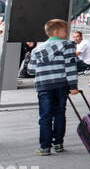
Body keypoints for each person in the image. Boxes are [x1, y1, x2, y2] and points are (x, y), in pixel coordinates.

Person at [26, 19, 79, 157]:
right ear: (57, 31)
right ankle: (58, 144)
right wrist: (73, 86)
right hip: (61, 85)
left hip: (43, 86)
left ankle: (44, 147)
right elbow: (70, 67)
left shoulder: (37, 49)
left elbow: (31, 70)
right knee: (60, 113)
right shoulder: (68, 46)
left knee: (45, 116)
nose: (67, 33)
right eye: (65, 30)